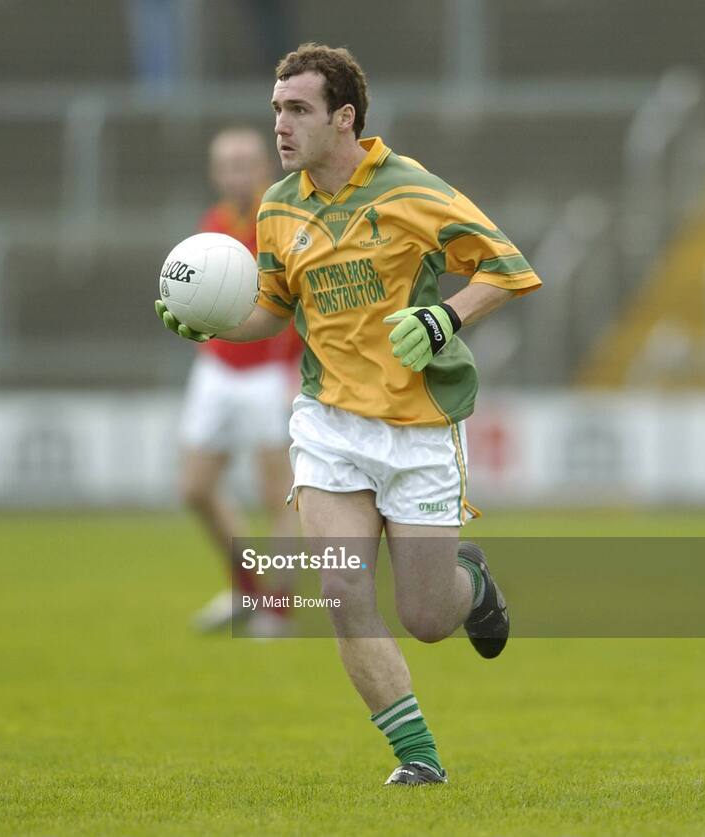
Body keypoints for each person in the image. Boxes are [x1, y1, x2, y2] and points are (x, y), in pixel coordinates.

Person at [157, 43, 542, 785]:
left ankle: (475, 586)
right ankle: (419, 759)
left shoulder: (411, 189)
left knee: (428, 616)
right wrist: (209, 323)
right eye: (276, 109)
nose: (281, 125)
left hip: (419, 426)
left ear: (344, 118)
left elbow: (507, 269)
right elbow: (271, 309)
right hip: (328, 424)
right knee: (341, 590)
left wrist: (442, 321)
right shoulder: (278, 206)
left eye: (297, 109)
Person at [184, 126, 303, 634]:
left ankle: (276, 605)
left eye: (245, 162)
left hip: (268, 372)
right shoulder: (213, 222)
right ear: (215, 172)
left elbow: (299, 293)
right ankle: (248, 588)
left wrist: (298, 365)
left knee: (276, 492)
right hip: (216, 367)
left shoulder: (280, 217)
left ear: (264, 167)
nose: (237, 172)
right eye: (227, 163)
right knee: (194, 488)